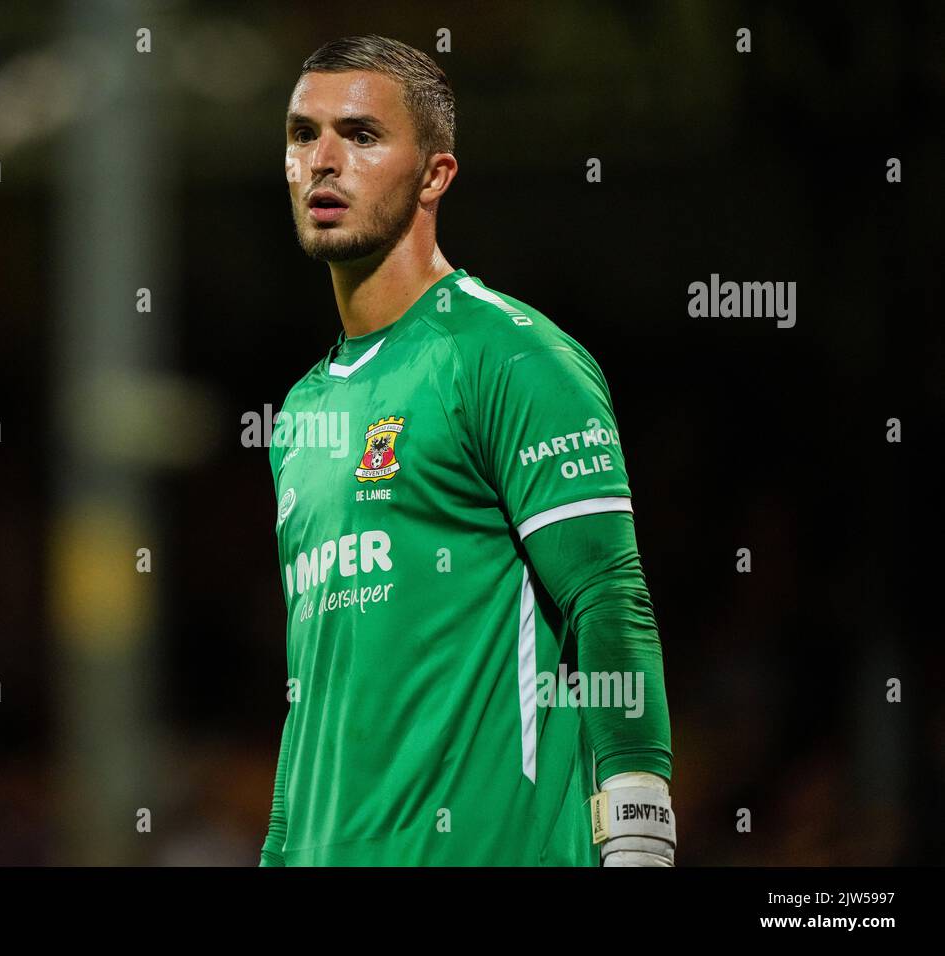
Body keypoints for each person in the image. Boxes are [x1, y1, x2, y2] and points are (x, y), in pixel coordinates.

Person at [260, 35, 675, 866]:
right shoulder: (300, 412)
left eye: (362, 135)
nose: (324, 161)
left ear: (435, 175)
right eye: (304, 135)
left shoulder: (512, 358)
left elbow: (607, 598)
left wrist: (639, 835)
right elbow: (318, 686)